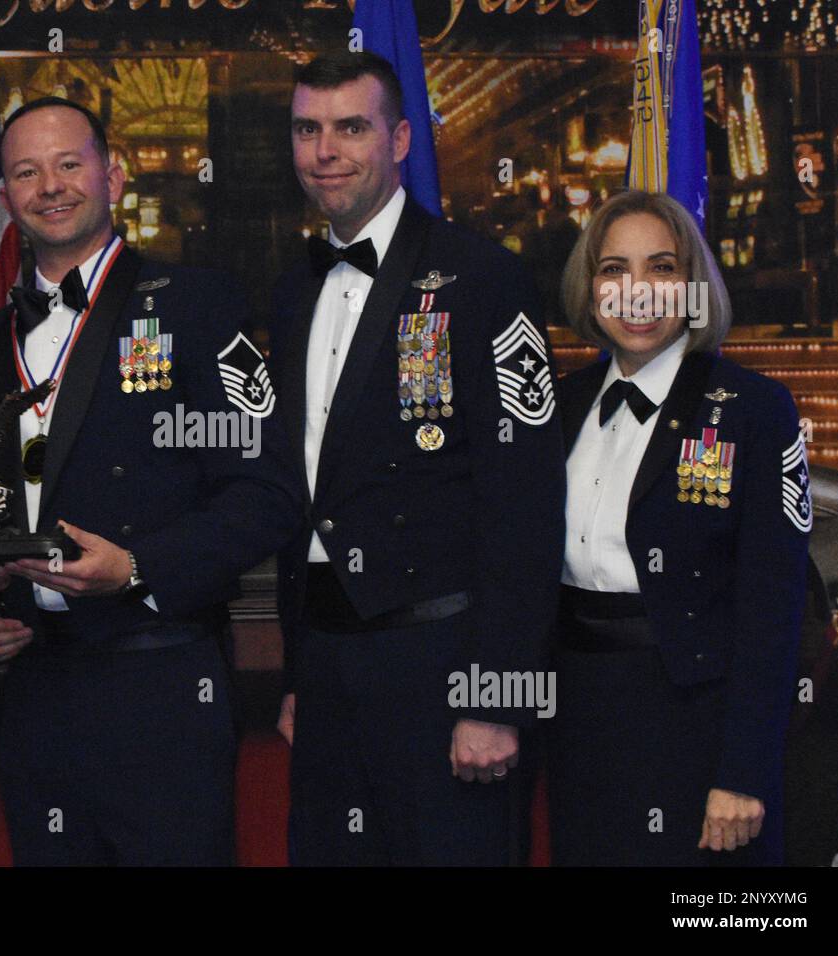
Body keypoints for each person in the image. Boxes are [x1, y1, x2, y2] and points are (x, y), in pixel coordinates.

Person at [0, 97, 302, 866]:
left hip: (164, 682)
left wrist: (139, 569)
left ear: (112, 174)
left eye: (69, 164)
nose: (51, 186)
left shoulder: (200, 308)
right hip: (35, 688)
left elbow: (266, 493)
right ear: (5, 198)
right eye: (27, 172)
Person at [268, 52, 566, 865]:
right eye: (308, 129)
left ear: (399, 139)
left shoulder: (484, 278)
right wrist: (297, 675)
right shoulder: (291, 293)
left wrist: (498, 694)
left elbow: (527, 496)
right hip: (327, 662)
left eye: (350, 127)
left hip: (445, 666)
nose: (326, 150)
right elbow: (305, 497)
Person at [549, 189, 810, 866]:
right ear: (590, 286)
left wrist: (743, 772)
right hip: (579, 722)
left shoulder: (754, 411)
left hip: (698, 727)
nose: (637, 291)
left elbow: (772, 610)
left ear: (693, 286)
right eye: (614, 269)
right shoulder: (559, 404)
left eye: (661, 268)